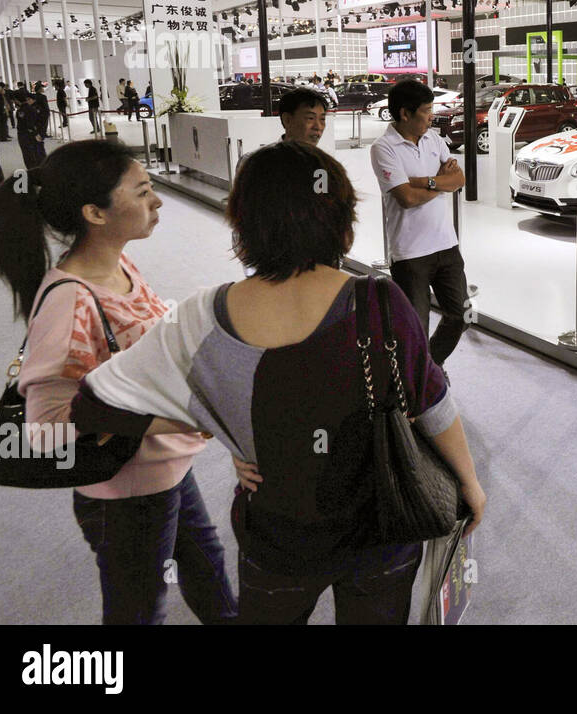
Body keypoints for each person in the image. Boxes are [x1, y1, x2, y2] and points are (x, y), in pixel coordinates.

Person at [69, 141, 485, 624]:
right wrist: (470, 484)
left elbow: (95, 405)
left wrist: (214, 426)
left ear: (242, 226)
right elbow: (433, 405)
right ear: (343, 224)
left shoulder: (199, 316)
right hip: (382, 524)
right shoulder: (379, 300)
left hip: (276, 533)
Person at [0, 140, 237, 625]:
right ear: (94, 213)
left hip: (167, 470)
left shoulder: (117, 264)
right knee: (138, 610)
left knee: (207, 570)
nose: (158, 200)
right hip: (127, 496)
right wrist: (170, 421)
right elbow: (46, 428)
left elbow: (137, 335)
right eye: (142, 192)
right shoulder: (70, 301)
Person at [371, 80, 469, 373]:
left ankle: (431, 367)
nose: (431, 117)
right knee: (414, 330)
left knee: (461, 315)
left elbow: (459, 180)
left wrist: (422, 181)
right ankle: (413, 392)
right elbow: (407, 199)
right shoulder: (383, 148)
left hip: (446, 246)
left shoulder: (434, 139)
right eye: (426, 111)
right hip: (410, 254)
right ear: (405, 114)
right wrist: (439, 182)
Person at [13, 89, 48, 169]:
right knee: (36, 153)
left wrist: (36, 133)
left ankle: (34, 171)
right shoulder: (30, 108)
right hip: (31, 134)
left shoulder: (23, 110)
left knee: (29, 155)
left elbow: (29, 124)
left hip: (26, 135)